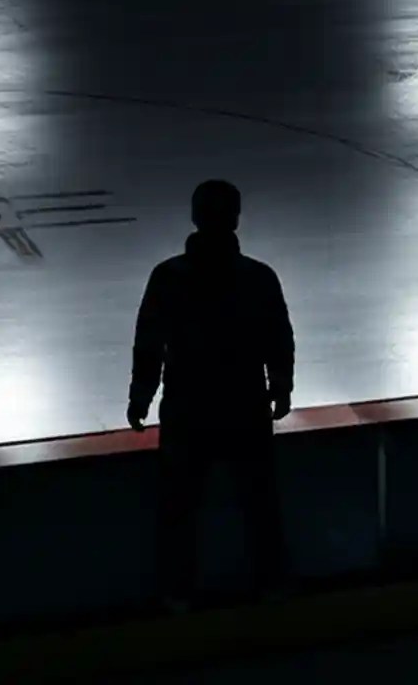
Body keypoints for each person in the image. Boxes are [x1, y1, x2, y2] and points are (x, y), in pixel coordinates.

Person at [127, 179, 295, 609]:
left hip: (188, 407)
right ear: (236, 218)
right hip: (245, 406)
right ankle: (271, 585)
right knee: (259, 503)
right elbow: (278, 337)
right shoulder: (258, 277)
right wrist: (280, 387)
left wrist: (141, 396)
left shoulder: (168, 277)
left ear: (194, 217)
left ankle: (177, 592)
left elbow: (149, 343)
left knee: (180, 506)